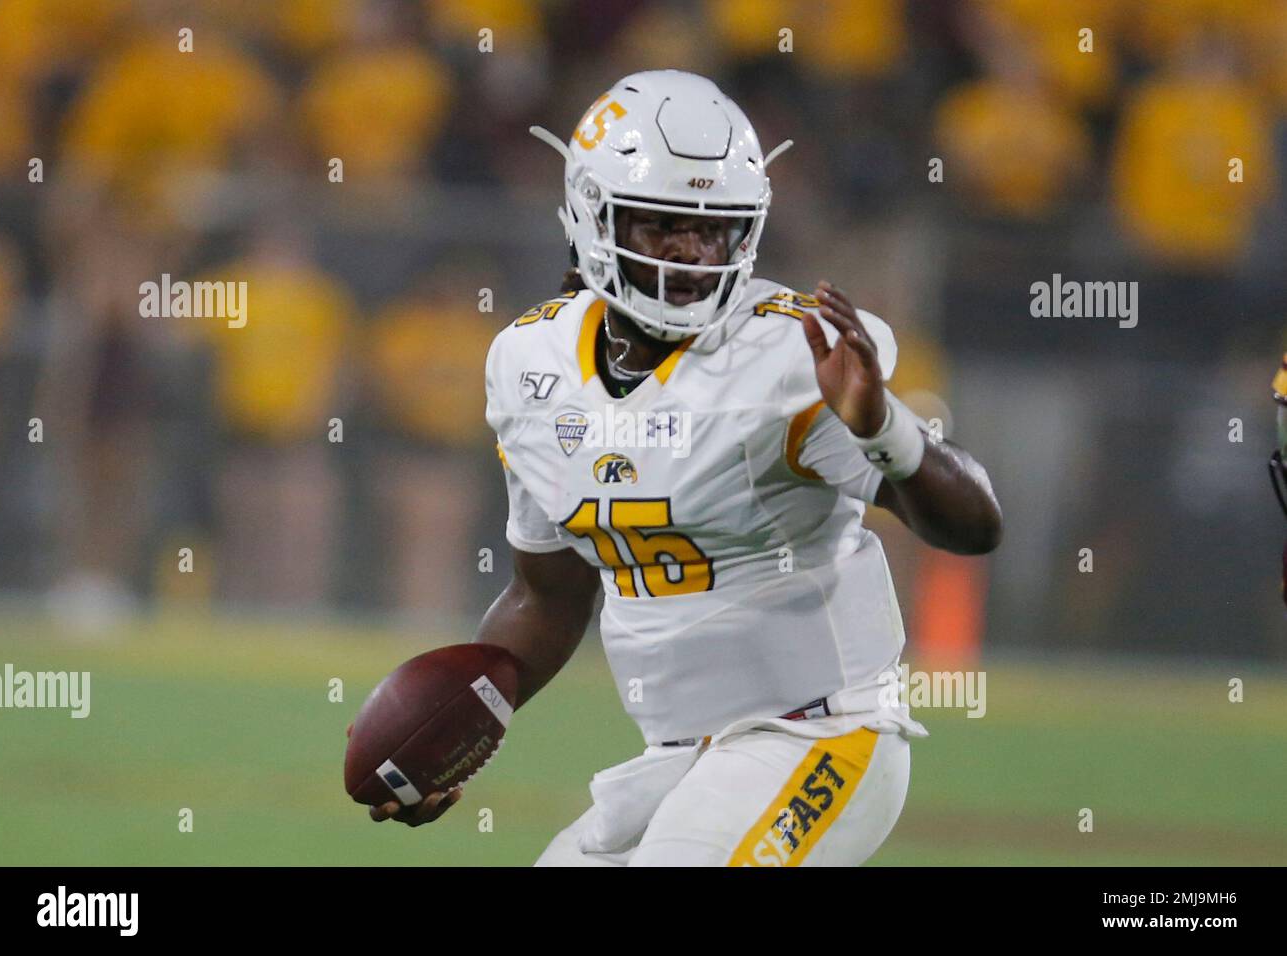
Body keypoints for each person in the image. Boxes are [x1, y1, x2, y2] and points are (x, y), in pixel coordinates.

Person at [369, 70, 1002, 866]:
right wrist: (459, 725)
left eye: (715, 230)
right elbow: (548, 593)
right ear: (593, 217)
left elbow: (975, 523)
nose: (692, 252)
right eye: (662, 224)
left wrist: (886, 429)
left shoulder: (787, 355)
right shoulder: (531, 364)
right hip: (683, 757)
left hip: (821, 735)